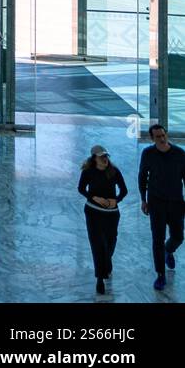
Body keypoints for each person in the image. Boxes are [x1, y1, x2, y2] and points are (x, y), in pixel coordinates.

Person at [138, 123, 185, 291]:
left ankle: (168, 250)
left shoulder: (180, 153)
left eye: (163, 135)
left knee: (178, 237)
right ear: (152, 138)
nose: (162, 138)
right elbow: (142, 177)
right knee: (157, 239)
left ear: (166, 134)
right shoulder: (148, 153)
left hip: (176, 202)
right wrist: (143, 199)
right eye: (158, 136)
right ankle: (160, 275)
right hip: (156, 202)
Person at [77, 145, 127, 294]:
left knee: (110, 243)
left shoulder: (114, 171)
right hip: (93, 212)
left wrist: (116, 200)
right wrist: (94, 198)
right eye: (101, 156)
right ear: (94, 158)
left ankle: (107, 261)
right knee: (98, 245)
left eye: (106, 156)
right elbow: (81, 188)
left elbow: (124, 190)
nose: (105, 159)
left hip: (112, 214)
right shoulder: (88, 172)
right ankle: (100, 278)